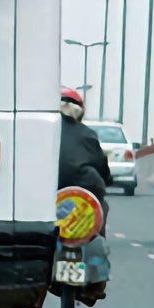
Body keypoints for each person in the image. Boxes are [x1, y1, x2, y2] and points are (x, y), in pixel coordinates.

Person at [57, 87, 113, 232]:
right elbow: (101, 166)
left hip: (48, 187)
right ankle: (97, 235)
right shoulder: (88, 134)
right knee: (102, 206)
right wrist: (108, 180)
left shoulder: (40, 131)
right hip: (86, 186)